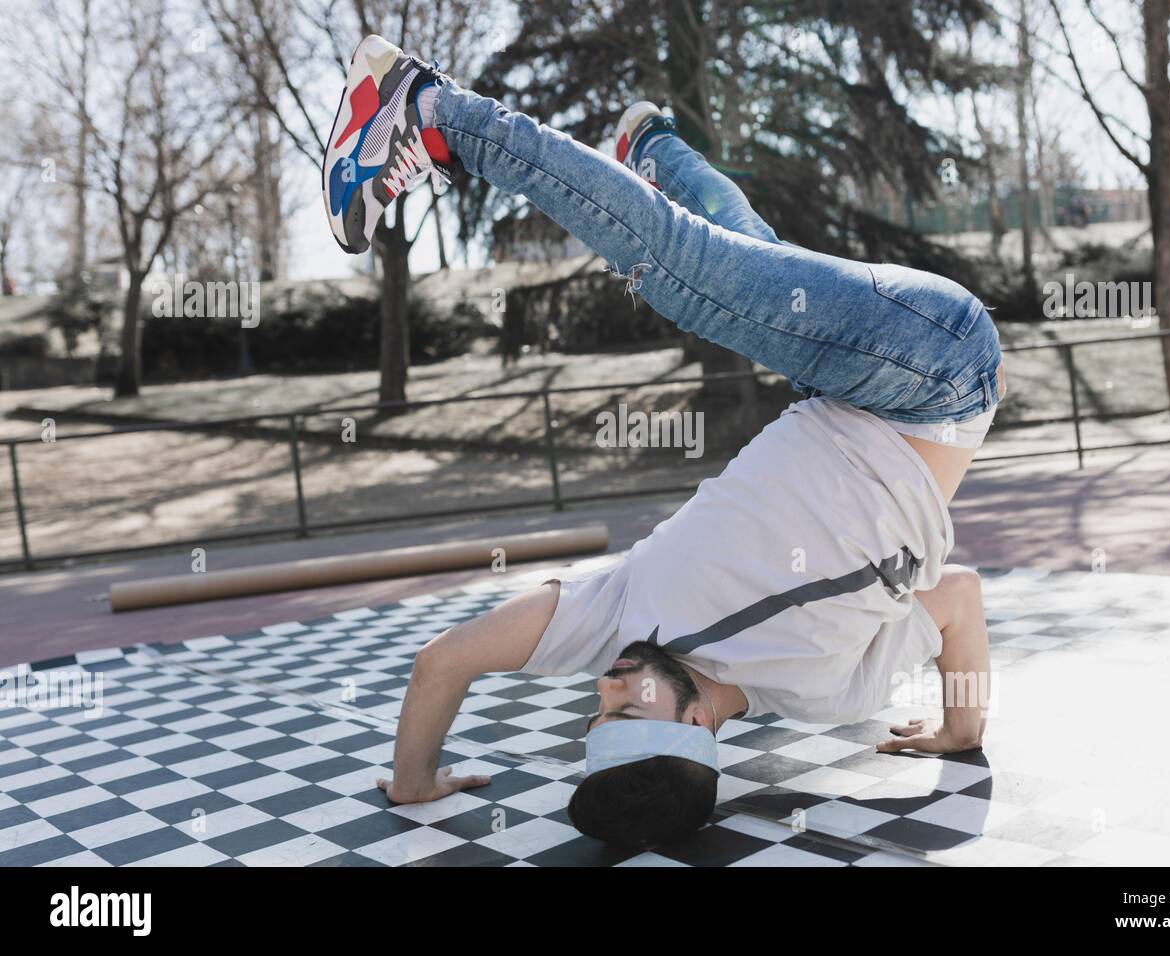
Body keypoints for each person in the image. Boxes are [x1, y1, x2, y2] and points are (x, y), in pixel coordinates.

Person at [324, 36, 1004, 849]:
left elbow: (444, 660)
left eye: (597, 711)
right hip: (933, 378)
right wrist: (964, 731)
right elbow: (960, 597)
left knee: (745, 262)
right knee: (685, 269)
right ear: (694, 723)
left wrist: (413, 783)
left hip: (842, 387)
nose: (607, 687)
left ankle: (654, 148)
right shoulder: (831, 690)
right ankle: (430, 109)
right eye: (627, 705)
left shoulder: (617, 622)